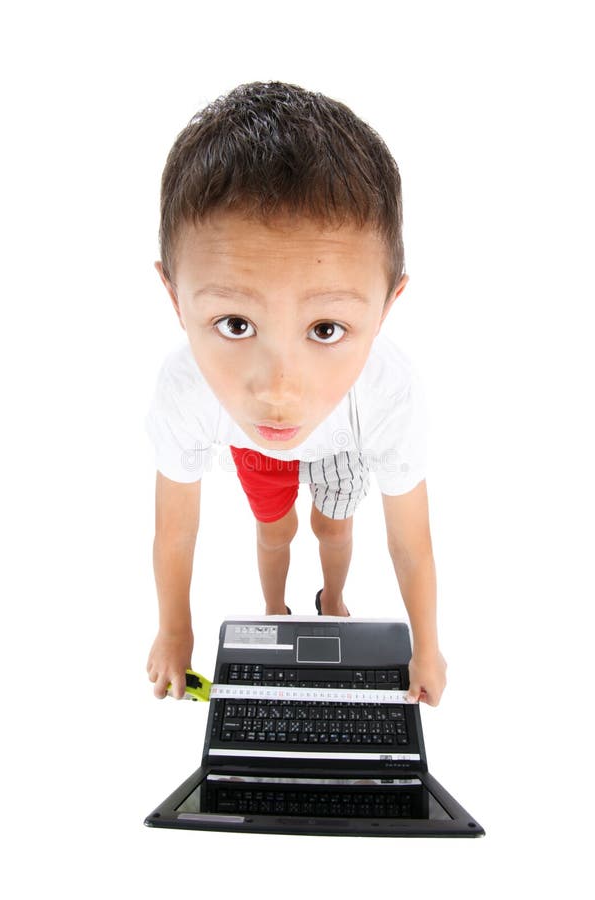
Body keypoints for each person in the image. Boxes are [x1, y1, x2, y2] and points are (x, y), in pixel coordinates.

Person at [145, 81, 447, 706]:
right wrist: (175, 630)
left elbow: (410, 542)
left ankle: (331, 601)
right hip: (252, 449)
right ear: (177, 300)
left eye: (326, 329)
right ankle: (276, 609)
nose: (278, 392)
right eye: (235, 325)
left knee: (333, 529)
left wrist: (428, 644)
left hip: (345, 440)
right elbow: (175, 530)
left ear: (387, 308)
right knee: (275, 528)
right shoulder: (187, 389)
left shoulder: (386, 393)